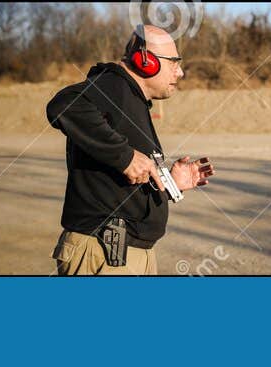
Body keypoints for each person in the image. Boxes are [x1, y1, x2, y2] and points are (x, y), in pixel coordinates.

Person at [44, 25, 215, 276]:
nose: (180, 72)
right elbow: (64, 105)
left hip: (126, 254)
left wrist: (170, 185)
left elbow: (124, 182)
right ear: (145, 61)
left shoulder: (131, 99)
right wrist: (125, 156)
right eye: (173, 63)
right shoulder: (114, 86)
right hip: (104, 253)